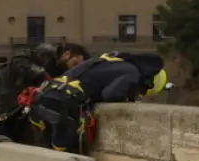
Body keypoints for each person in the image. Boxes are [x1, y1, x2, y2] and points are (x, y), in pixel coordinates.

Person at [30, 50, 168, 153]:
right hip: (66, 105)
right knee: (65, 156)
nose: (138, 92)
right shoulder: (133, 73)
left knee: (46, 152)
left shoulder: (111, 60)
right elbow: (110, 95)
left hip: (47, 95)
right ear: (148, 83)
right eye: (142, 91)